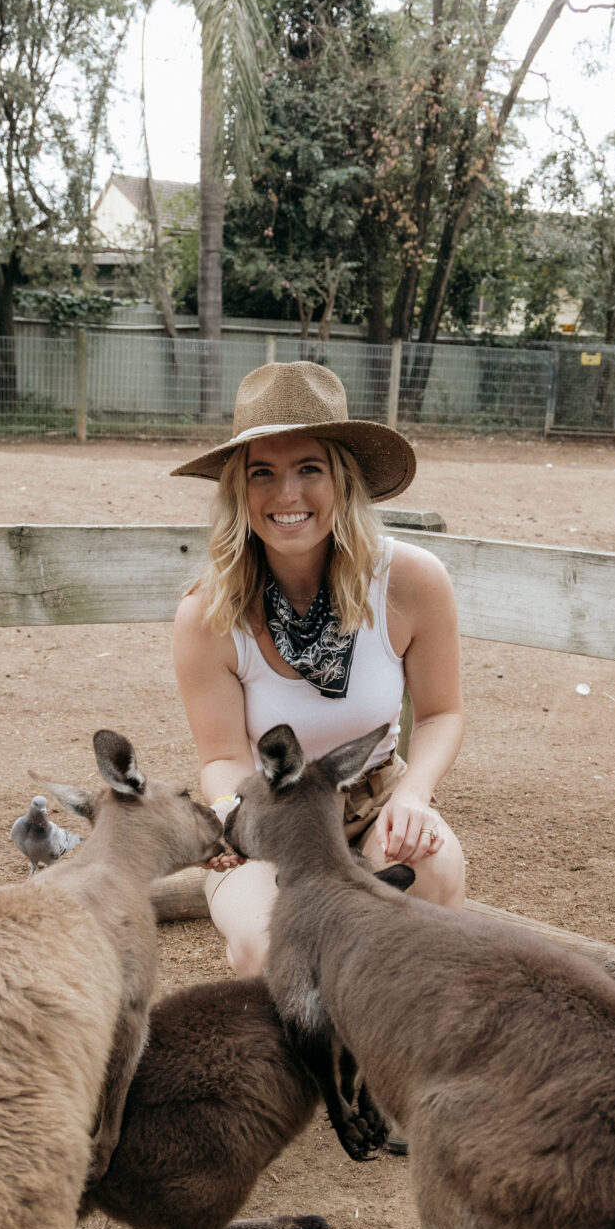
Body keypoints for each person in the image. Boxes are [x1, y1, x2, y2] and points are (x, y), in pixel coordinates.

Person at [172, 359, 465, 978]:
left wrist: (413, 796)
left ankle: (398, 1055)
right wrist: (229, 813)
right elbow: (221, 757)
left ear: (343, 480)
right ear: (238, 490)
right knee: (267, 947)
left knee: (432, 884)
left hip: (374, 799)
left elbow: (442, 713)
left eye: (310, 469)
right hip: (267, 816)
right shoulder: (208, 613)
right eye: (263, 474)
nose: (286, 495)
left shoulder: (411, 581)